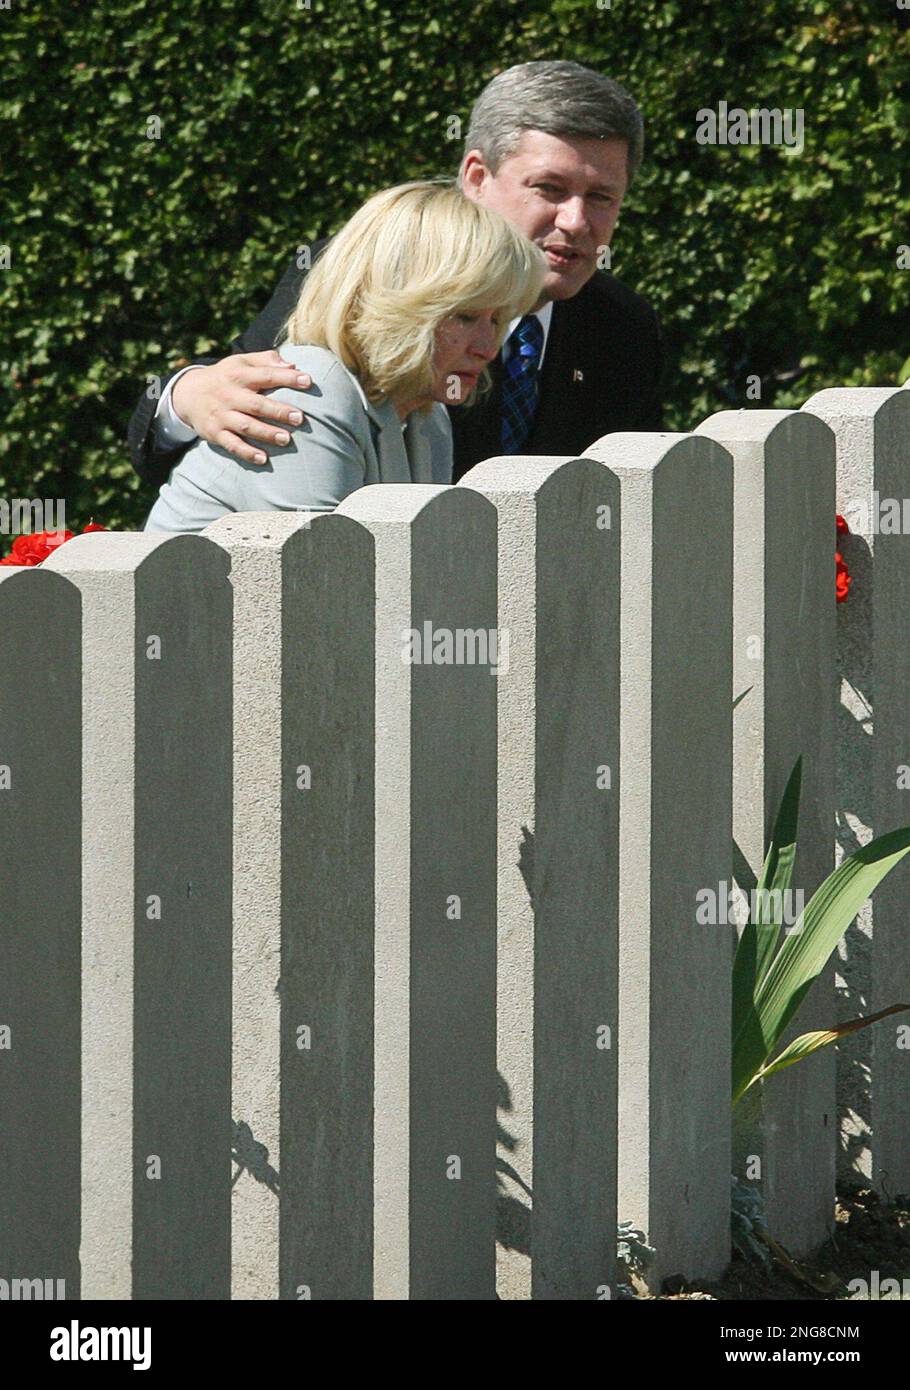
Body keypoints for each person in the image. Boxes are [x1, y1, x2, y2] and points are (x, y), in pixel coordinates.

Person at [129, 60, 663, 491]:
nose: (575, 222)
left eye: (601, 197)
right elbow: (245, 396)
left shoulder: (624, 326)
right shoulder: (370, 275)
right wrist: (186, 397)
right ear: (477, 177)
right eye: (549, 189)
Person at [142, 182, 546, 531]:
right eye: (465, 316)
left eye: (498, 320)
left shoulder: (430, 417)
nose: (488, 348)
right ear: (393, 303)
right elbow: (326, 581)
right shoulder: (310, 389)